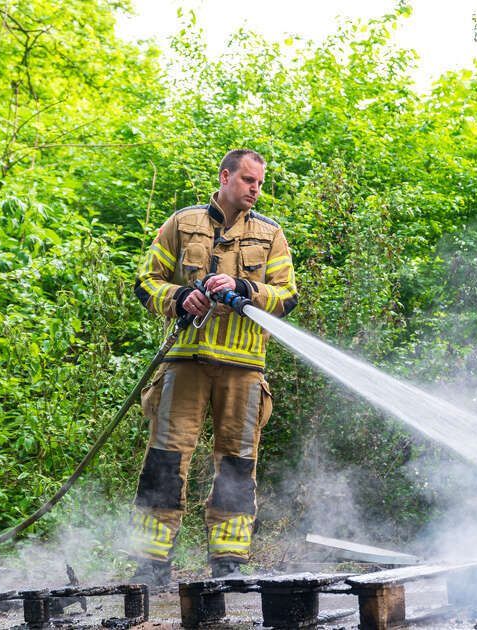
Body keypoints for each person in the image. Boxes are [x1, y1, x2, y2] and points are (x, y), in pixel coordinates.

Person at [128, 149, 298, 585]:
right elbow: (146, 281)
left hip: (243, 370)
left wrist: (245, 287)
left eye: (259, 182)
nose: (255, 189)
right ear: (225, 177)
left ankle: (228, 564)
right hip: (184, 363)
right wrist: (181, 297)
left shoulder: (270, 234)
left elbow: (286, 297)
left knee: (238, 463)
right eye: (247, 180)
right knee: (165, 458)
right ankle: (152, 562)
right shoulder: (183, 223)